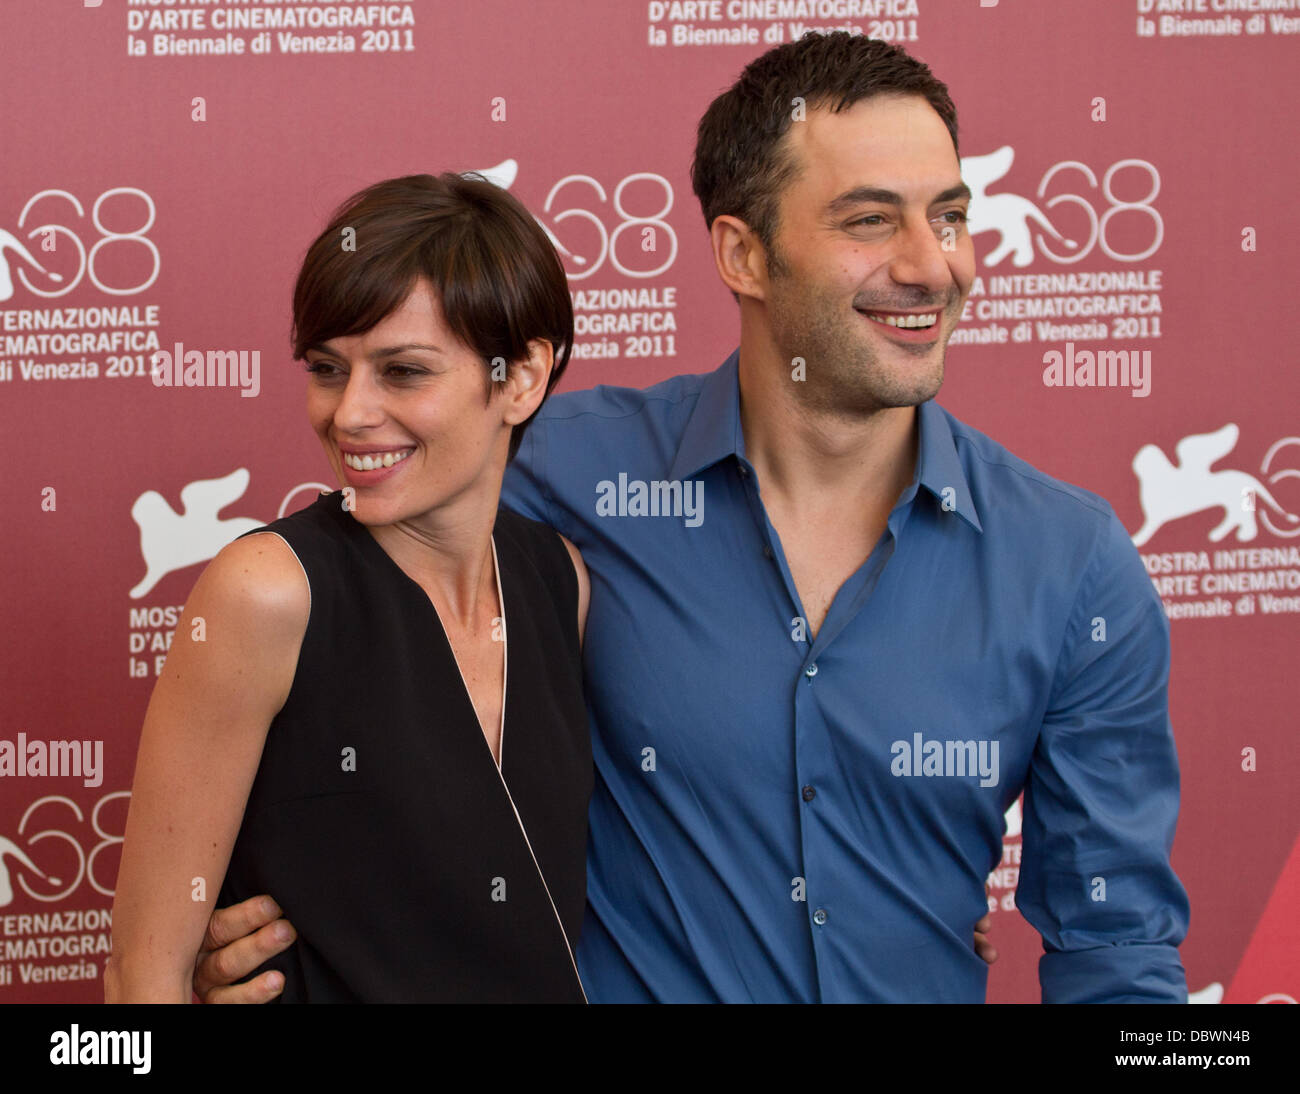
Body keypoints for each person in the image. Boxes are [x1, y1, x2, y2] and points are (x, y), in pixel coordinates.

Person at [194, 33, 1188, 1003]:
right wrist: (264, 942)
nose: (935, 265)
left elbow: (1118, 943)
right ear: (743, 254)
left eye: (951, 214)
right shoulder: (548, 467)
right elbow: (339, 635)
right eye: (870, 220)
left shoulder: (1072, 563)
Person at [106, 173, 593, 1002]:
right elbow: (141, 974)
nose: (349, 413)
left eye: (403, 372)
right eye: (329, 369)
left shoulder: (559, 581)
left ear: (521, 379)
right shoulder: (267, 592)